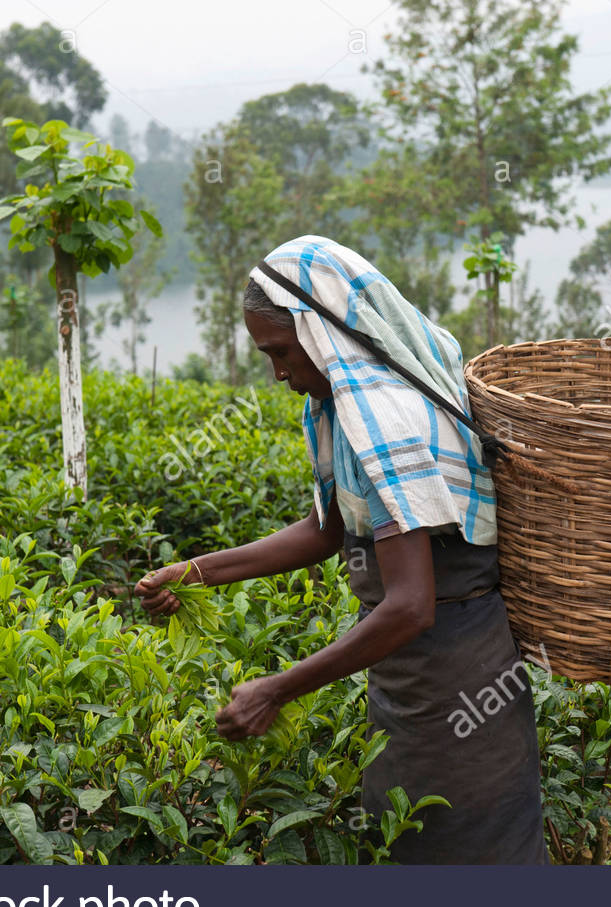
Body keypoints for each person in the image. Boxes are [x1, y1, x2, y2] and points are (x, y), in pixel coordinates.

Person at [135, 235, 546, 864]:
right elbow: (326, 531)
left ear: (321, 330)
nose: (278, 373)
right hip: (424, 676)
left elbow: (411, 607)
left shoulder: (381, 416)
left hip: (455, 681)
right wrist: (192, 572)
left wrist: (276, 689)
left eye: (280, 352)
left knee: (465, 850)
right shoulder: (346, 406)